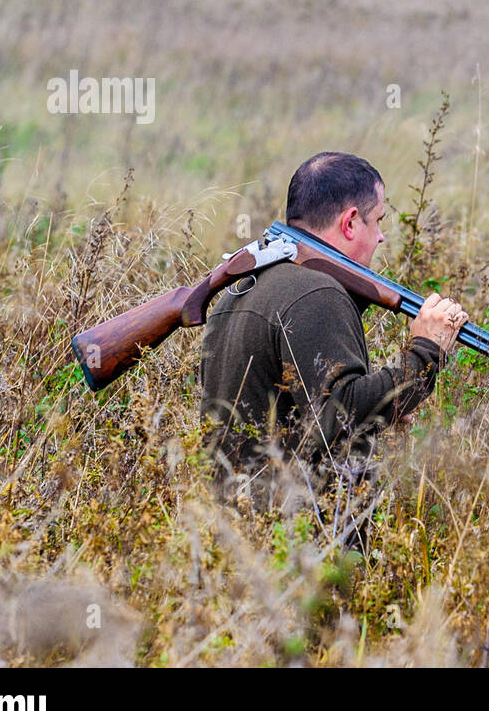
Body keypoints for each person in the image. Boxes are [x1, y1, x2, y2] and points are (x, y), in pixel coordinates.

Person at [200, 151, 468, 550]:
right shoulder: (317, 294)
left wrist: (388, 403)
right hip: (300, 549)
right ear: (349, 222)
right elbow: (340, 417)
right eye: (377, 221)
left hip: (236, 542)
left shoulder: (240, 292)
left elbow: (293, 406)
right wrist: (425, 352)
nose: (380, 237)